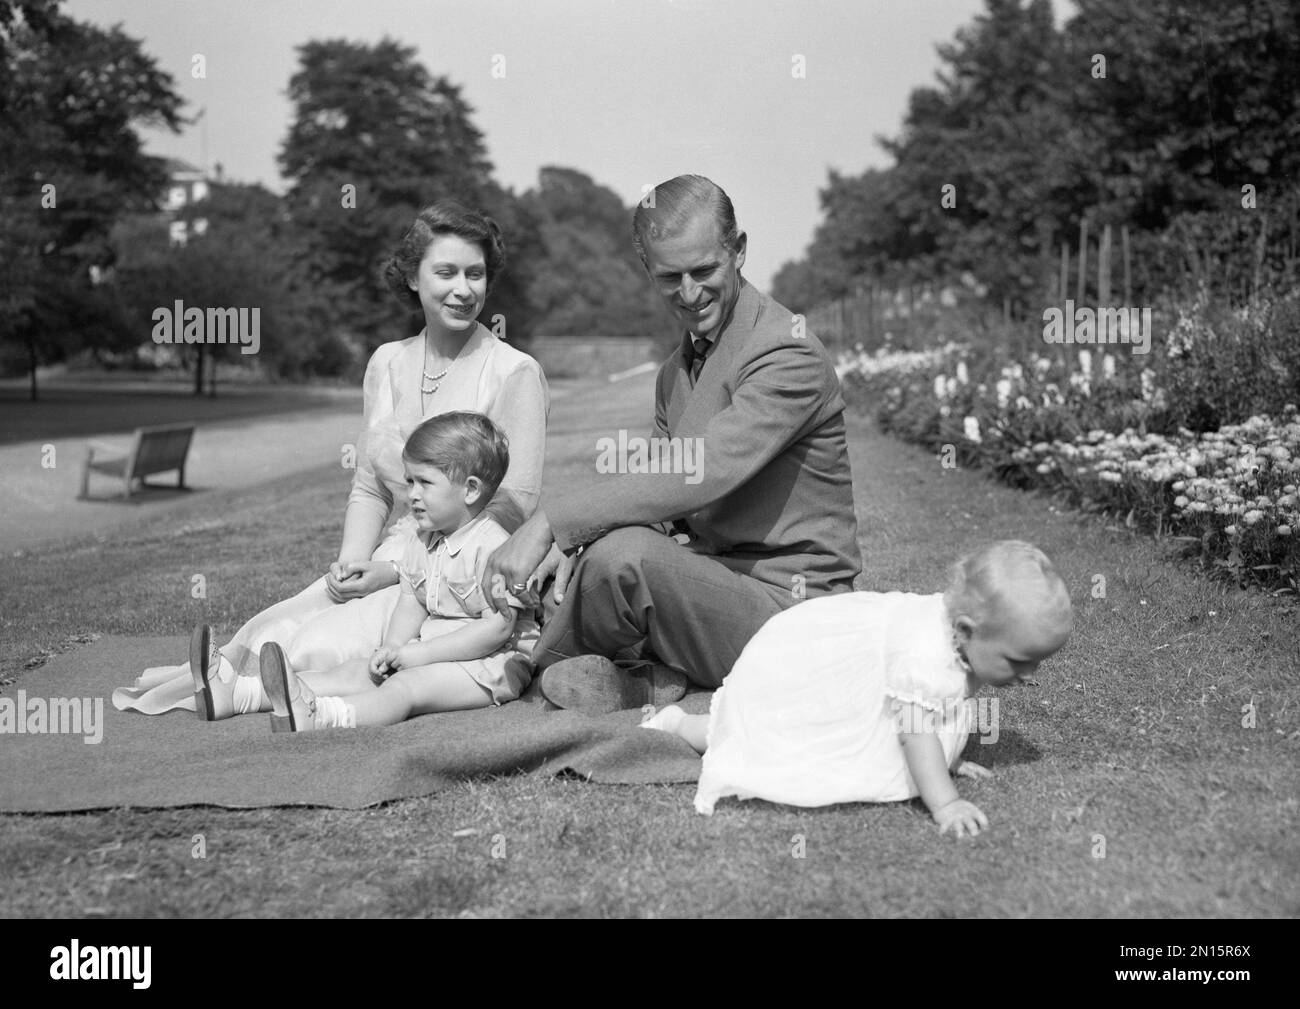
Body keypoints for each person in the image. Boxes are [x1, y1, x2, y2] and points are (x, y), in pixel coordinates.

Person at [113, 201, 548, 719]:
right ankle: (230, 688)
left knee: (318, 646)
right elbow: (369, 486)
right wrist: (352, 564)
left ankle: (264, 697)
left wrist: (395, 572)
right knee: (281, 626)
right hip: (387, 556)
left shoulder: (514, 371)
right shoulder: (387, 362)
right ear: (412, 276)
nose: (463, 289)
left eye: (475, 274)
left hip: (457, 574)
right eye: (446, 272)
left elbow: (514, 503)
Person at [484, 174, 861, 714]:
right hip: (709, 580)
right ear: (648, 271)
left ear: (740, 251)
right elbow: (661, 499)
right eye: (670, 277)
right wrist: (575, 548)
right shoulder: (674, 372)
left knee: (624, 556)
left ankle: (544, 666)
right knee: (598, 557)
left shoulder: (787, 352)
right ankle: (634, 676)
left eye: (704, 270)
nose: (689, 294)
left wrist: (553, 522)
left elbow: (701, 471)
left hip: (795, 606)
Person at [641, 541, 1074, 836]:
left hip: (847, 675)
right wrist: (945, 803)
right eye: (1019, 661)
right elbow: (915, 731)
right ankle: (678, 725)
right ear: (966, 629)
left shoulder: (965, 643)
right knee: (769, 733)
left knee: (772, 729)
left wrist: (951, 757)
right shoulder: (925, 656)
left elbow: (943, 705)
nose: (1031, 674)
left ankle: (690, 724)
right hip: (805, 669)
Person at [258, 412, 537, 730]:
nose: (412, 494)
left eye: (425, 483)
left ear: (470, 490)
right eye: (409, 481)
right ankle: (245, 692)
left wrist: (418, 655)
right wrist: (392, 648)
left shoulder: (493, 547)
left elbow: (498, 629)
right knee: (358, 671)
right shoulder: (424, 538)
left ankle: (322, 716)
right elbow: (411, 599)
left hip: (491, 665)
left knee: (405, 688)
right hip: (434, 652)